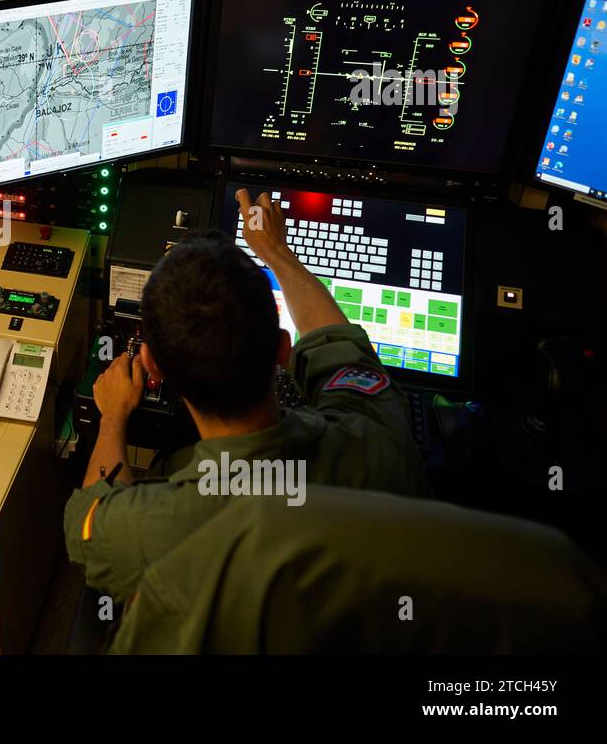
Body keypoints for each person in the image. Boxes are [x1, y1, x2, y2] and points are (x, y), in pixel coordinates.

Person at [65, 189, 431, 602]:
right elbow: (338, 343)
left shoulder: (158, 524)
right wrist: (277, 253)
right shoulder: (376, 433)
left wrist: (113, 415)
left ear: (153, 367)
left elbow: (89, 524)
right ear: (282, 349)